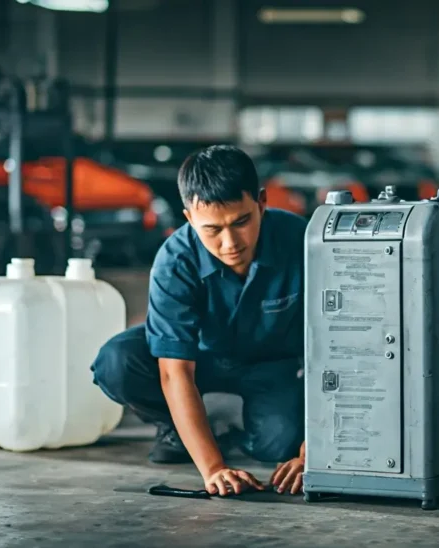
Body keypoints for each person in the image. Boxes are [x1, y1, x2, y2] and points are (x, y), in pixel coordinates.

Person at [91, 144, 307, 497]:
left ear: (262, 202)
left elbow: (335, 348)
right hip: (198, 359)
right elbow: (174, 371)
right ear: (189, 218)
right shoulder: (175, 261)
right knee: (116, 361)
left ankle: (225, 426)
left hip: (272, 366)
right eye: (212, 229)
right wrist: (214, 468)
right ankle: (176, 424)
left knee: (276, 447)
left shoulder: (300, 242)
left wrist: (314, 448)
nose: (230, 243)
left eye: (242, 221)